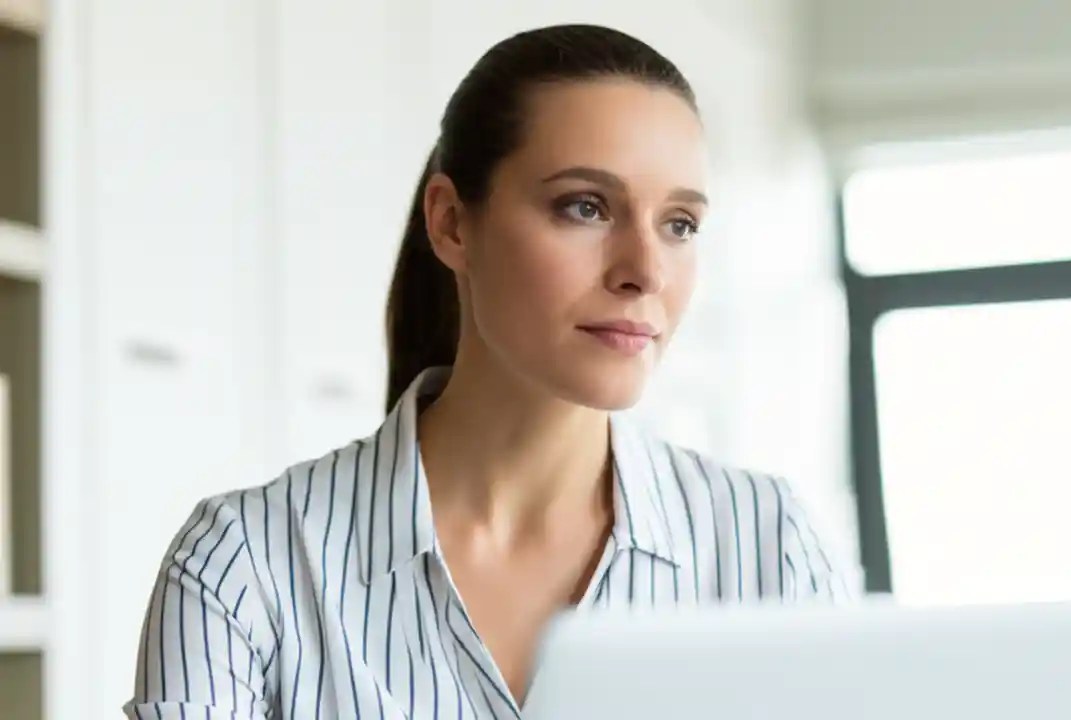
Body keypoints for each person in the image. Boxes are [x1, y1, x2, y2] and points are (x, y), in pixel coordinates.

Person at [124, 23, 852, 720]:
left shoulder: (767, 547)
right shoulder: (243, 565)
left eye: (680, 223)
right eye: (587, 207)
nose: (646, 271)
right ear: (451, 223)